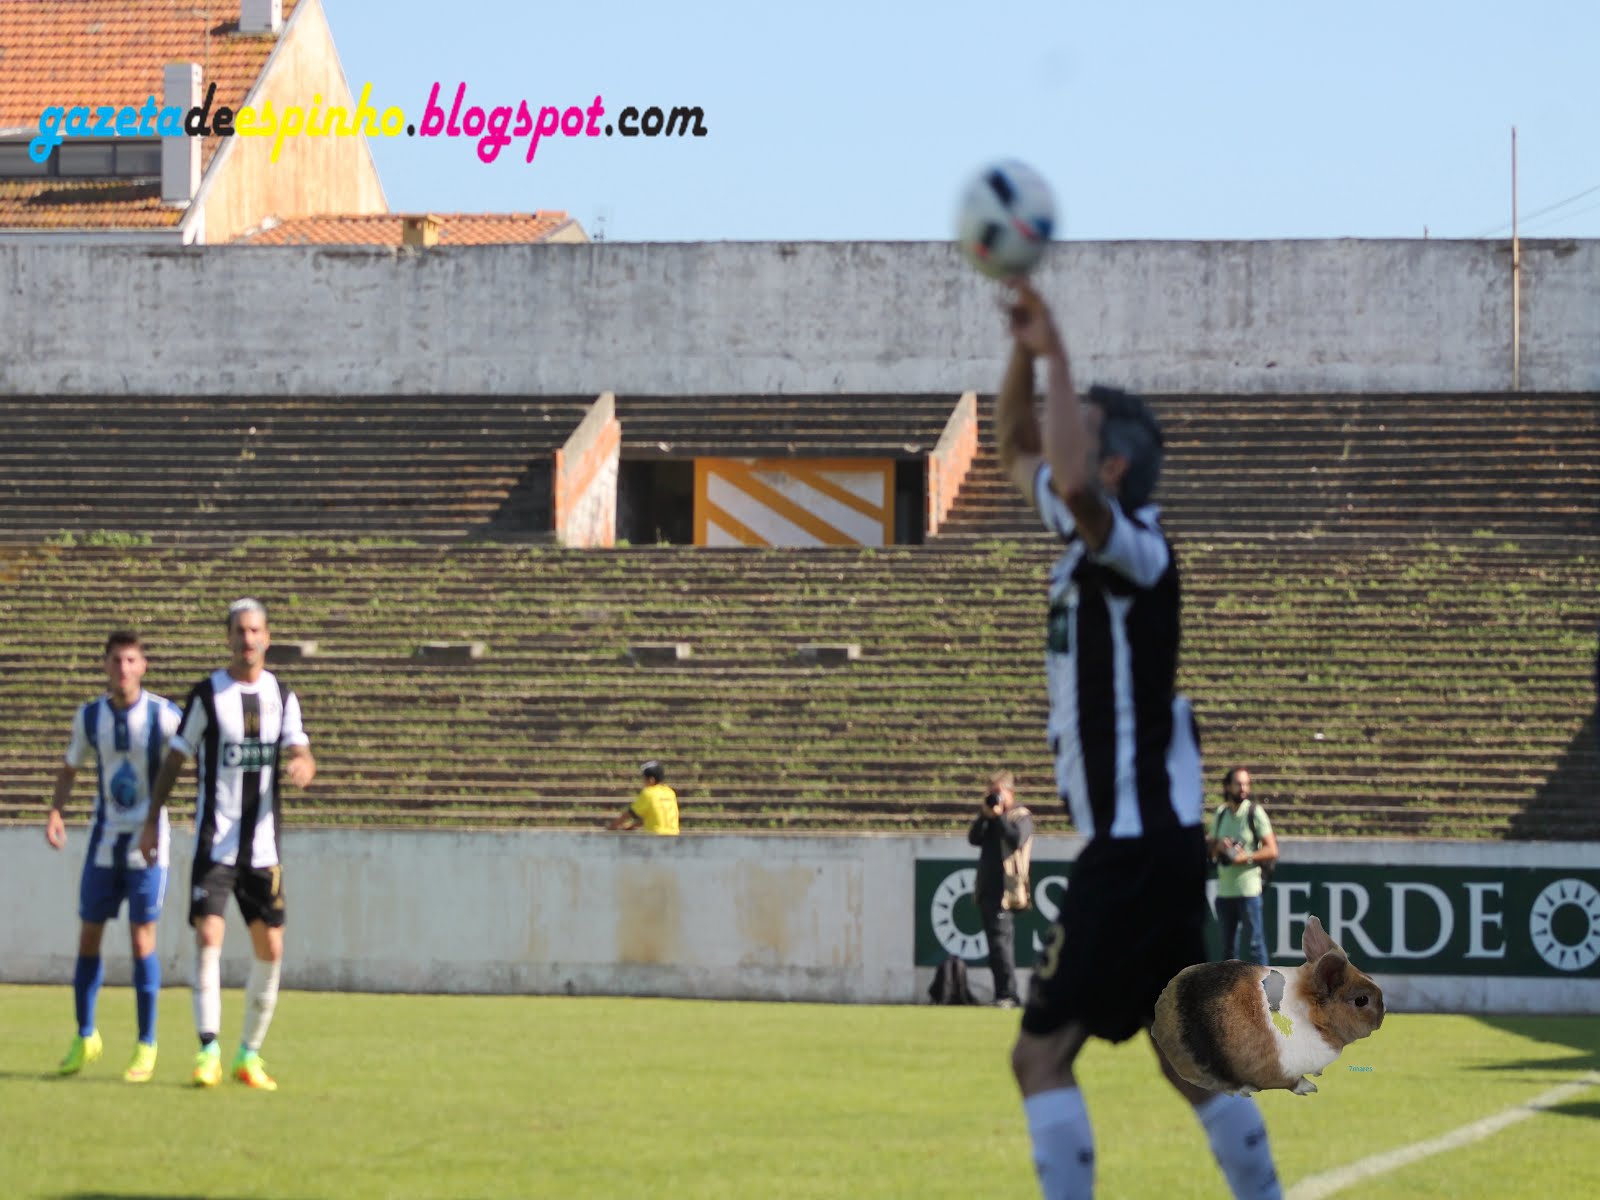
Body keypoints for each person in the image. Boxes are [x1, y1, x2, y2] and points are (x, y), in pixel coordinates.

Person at [996, 281, 1281, 1200]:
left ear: (1113, 467)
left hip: (1131, 853)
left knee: (1040, 1056)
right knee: (1184, 1060)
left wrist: (1063, 349)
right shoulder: (1091, 546)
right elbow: (1014, 453)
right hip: (1147, 848)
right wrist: (1025, 356)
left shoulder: (1138, 552)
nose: (1056, 427)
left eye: (1076, 420)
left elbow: (1069, 477)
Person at [141, 598, 315, 1091]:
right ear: (228, 637)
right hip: (215, 848)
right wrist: (153, 819)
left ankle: (249, 1055)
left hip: (262, 851)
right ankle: (208, 1051)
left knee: (272, 948)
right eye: (239, 631)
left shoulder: (282, 693)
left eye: (255, 630)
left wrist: (304, 765)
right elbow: (176, 760)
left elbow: (300, 746)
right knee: (209, 939)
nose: (247, 639)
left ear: (267, 636)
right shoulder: (207, 695)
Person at [46, 631, 182, 1083]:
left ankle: (146, 1045)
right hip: (103, 845)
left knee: (143, 941)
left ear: (143, 666)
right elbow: (69, 769)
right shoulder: (89, 718)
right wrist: (55, 812)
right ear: (105, 666)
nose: (123, 669)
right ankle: (86, 1035)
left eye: (131, 660)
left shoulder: (163, 716)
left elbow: (193, 752)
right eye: (116, 661)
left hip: (148, 847)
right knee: (88, 938)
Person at [967, 769, 1034, 1007]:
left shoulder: (1020, 816)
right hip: (987, 887)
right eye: (991, 792)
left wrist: (999, 817)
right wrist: (985, 816)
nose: (994, 797)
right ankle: (1003, 993)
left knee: (1000, 944)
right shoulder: (989, 816)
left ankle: (1008, 994)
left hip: (1006, 890)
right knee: (995, 946)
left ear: (1010, 793)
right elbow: (974, 838)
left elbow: (1016, 839)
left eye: (998, 793)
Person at [1207, 768, 1279, 966]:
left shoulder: (1254, 812)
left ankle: (1265, 994)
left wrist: (1245, 857)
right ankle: (1230, 995)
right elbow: (1210, 851)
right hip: (1225, 892)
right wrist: (1219, 846)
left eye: (1246, 784)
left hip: (1249, 891)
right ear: (1228, 786)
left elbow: (1272, 850)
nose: (1243, 788)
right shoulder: (1221, 813)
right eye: (1239, 784)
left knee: (1256, 946)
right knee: (1229, 951)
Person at [607, 760, 679, 835]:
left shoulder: (649, 793)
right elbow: (653, 816)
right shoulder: (670, 792)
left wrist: (612, 827)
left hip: (656, 839)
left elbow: (630, 814)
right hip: (674, 837)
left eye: (644, 779)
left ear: (651, 780)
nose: (643, 782)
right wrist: (632, 826)